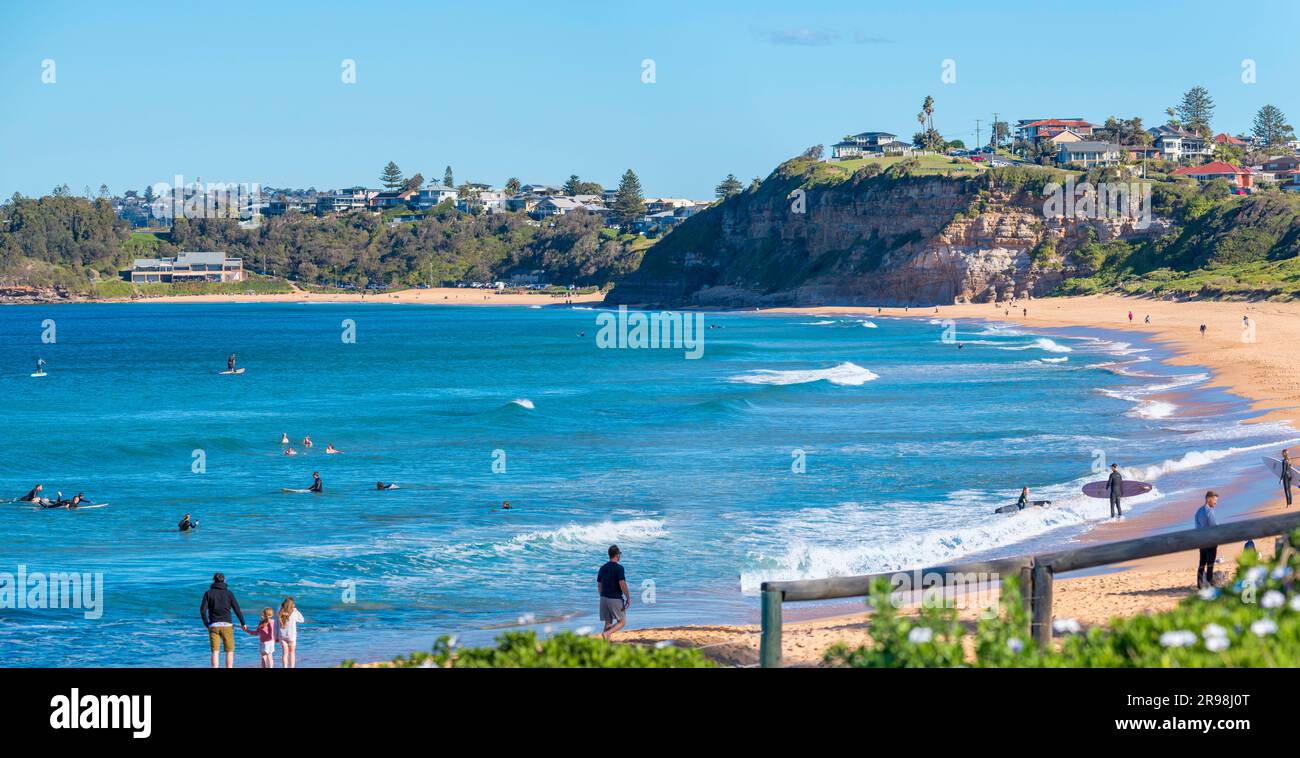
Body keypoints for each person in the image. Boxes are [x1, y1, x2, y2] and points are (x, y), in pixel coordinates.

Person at [200, 572, 248, 668]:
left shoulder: (208, 593)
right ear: (224, 580)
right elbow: (237, 609)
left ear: (214, 580)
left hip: (213, 625)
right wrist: (243, 623)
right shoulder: (229, 593)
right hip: (227, 625)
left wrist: (206, 623)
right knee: (229, 651)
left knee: (215, 651)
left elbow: (202, 610)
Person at [596, 545, 630, 640]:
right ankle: (608, 634)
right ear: (617, 555)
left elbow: (599, 585)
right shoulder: (619, 568)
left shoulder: (602, 568)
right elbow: (622, 584)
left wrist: (602, 596)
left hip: (603, 598)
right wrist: (628, 597)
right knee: (622, 621)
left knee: (608, 623)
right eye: (619, 554)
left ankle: (605, 646)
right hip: (615, 598)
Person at [1194, 491, 1220, 589]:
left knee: (1201, 563)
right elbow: (1214, 526)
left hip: (1201, 541)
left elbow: (1196, 527)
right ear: (1209, 499)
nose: (1216, 503)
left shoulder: (1198, 511)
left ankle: (1199, 585)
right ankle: (1209, 584)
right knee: (1210, 564)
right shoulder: (1210, 511)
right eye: (1215, 500)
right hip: (1211, 541)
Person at [277, 597, 305, 668]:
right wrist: (296, 610)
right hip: (291, 636)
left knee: (285, 653)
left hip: (282, 636)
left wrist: (276, 636)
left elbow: (276, 626)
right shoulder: (294, 613)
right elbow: (302, 620)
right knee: (292, 653)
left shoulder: (280, 613)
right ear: (292, 605)